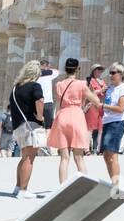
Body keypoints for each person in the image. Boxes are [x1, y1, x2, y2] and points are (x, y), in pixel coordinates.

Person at [47, 58, 103, 183]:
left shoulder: (59, 85)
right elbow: (96, 101)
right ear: (77, 69)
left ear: (65, 69)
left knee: (64, 158)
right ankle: (86, 187)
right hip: (77, 116)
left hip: (62, 115)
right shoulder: (82, 84)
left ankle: (62, 188)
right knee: (79, 156)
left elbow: (60, 101)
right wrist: (93, 92)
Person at [8, 60, 47, 199]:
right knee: (30, 158)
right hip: (30, 124)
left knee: (24, 157)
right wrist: (40, 116)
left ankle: (18, 187)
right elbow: (40, 101)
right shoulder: (35, 86)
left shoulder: (15, 88)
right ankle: (23, 191)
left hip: (18, 126)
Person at [98, 63, 124, 189]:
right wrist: (100, 92)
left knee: (112, 156)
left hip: (117, 123)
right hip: (107, 122)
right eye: (110, 72)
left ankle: (117, 184)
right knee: (106, 155)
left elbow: (121, 108)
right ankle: (113, 181)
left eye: (113, 73)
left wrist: (103, 106)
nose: (110, 75)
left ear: (121, 74)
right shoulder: (110, 87)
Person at [85, 64, 106, 156]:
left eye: (101, 70)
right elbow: (90, 93)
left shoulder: (102, 81)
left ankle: (98, 149)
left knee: (101, 128)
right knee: (90, 128)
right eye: (98, 69)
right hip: (93, 105)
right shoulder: (90, 80)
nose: (100, 71)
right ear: (94, 71)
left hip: (101, 105)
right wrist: (101, 90)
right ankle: (86, 149)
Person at [37, 58, 56, 129]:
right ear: (46, 66)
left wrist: (41, 71)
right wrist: (46, 70)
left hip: (38, 102)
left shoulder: (35, 75)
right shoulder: (49, 75)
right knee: (48, 125)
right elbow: (56, 71)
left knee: (39, 125)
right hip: (47, 102)